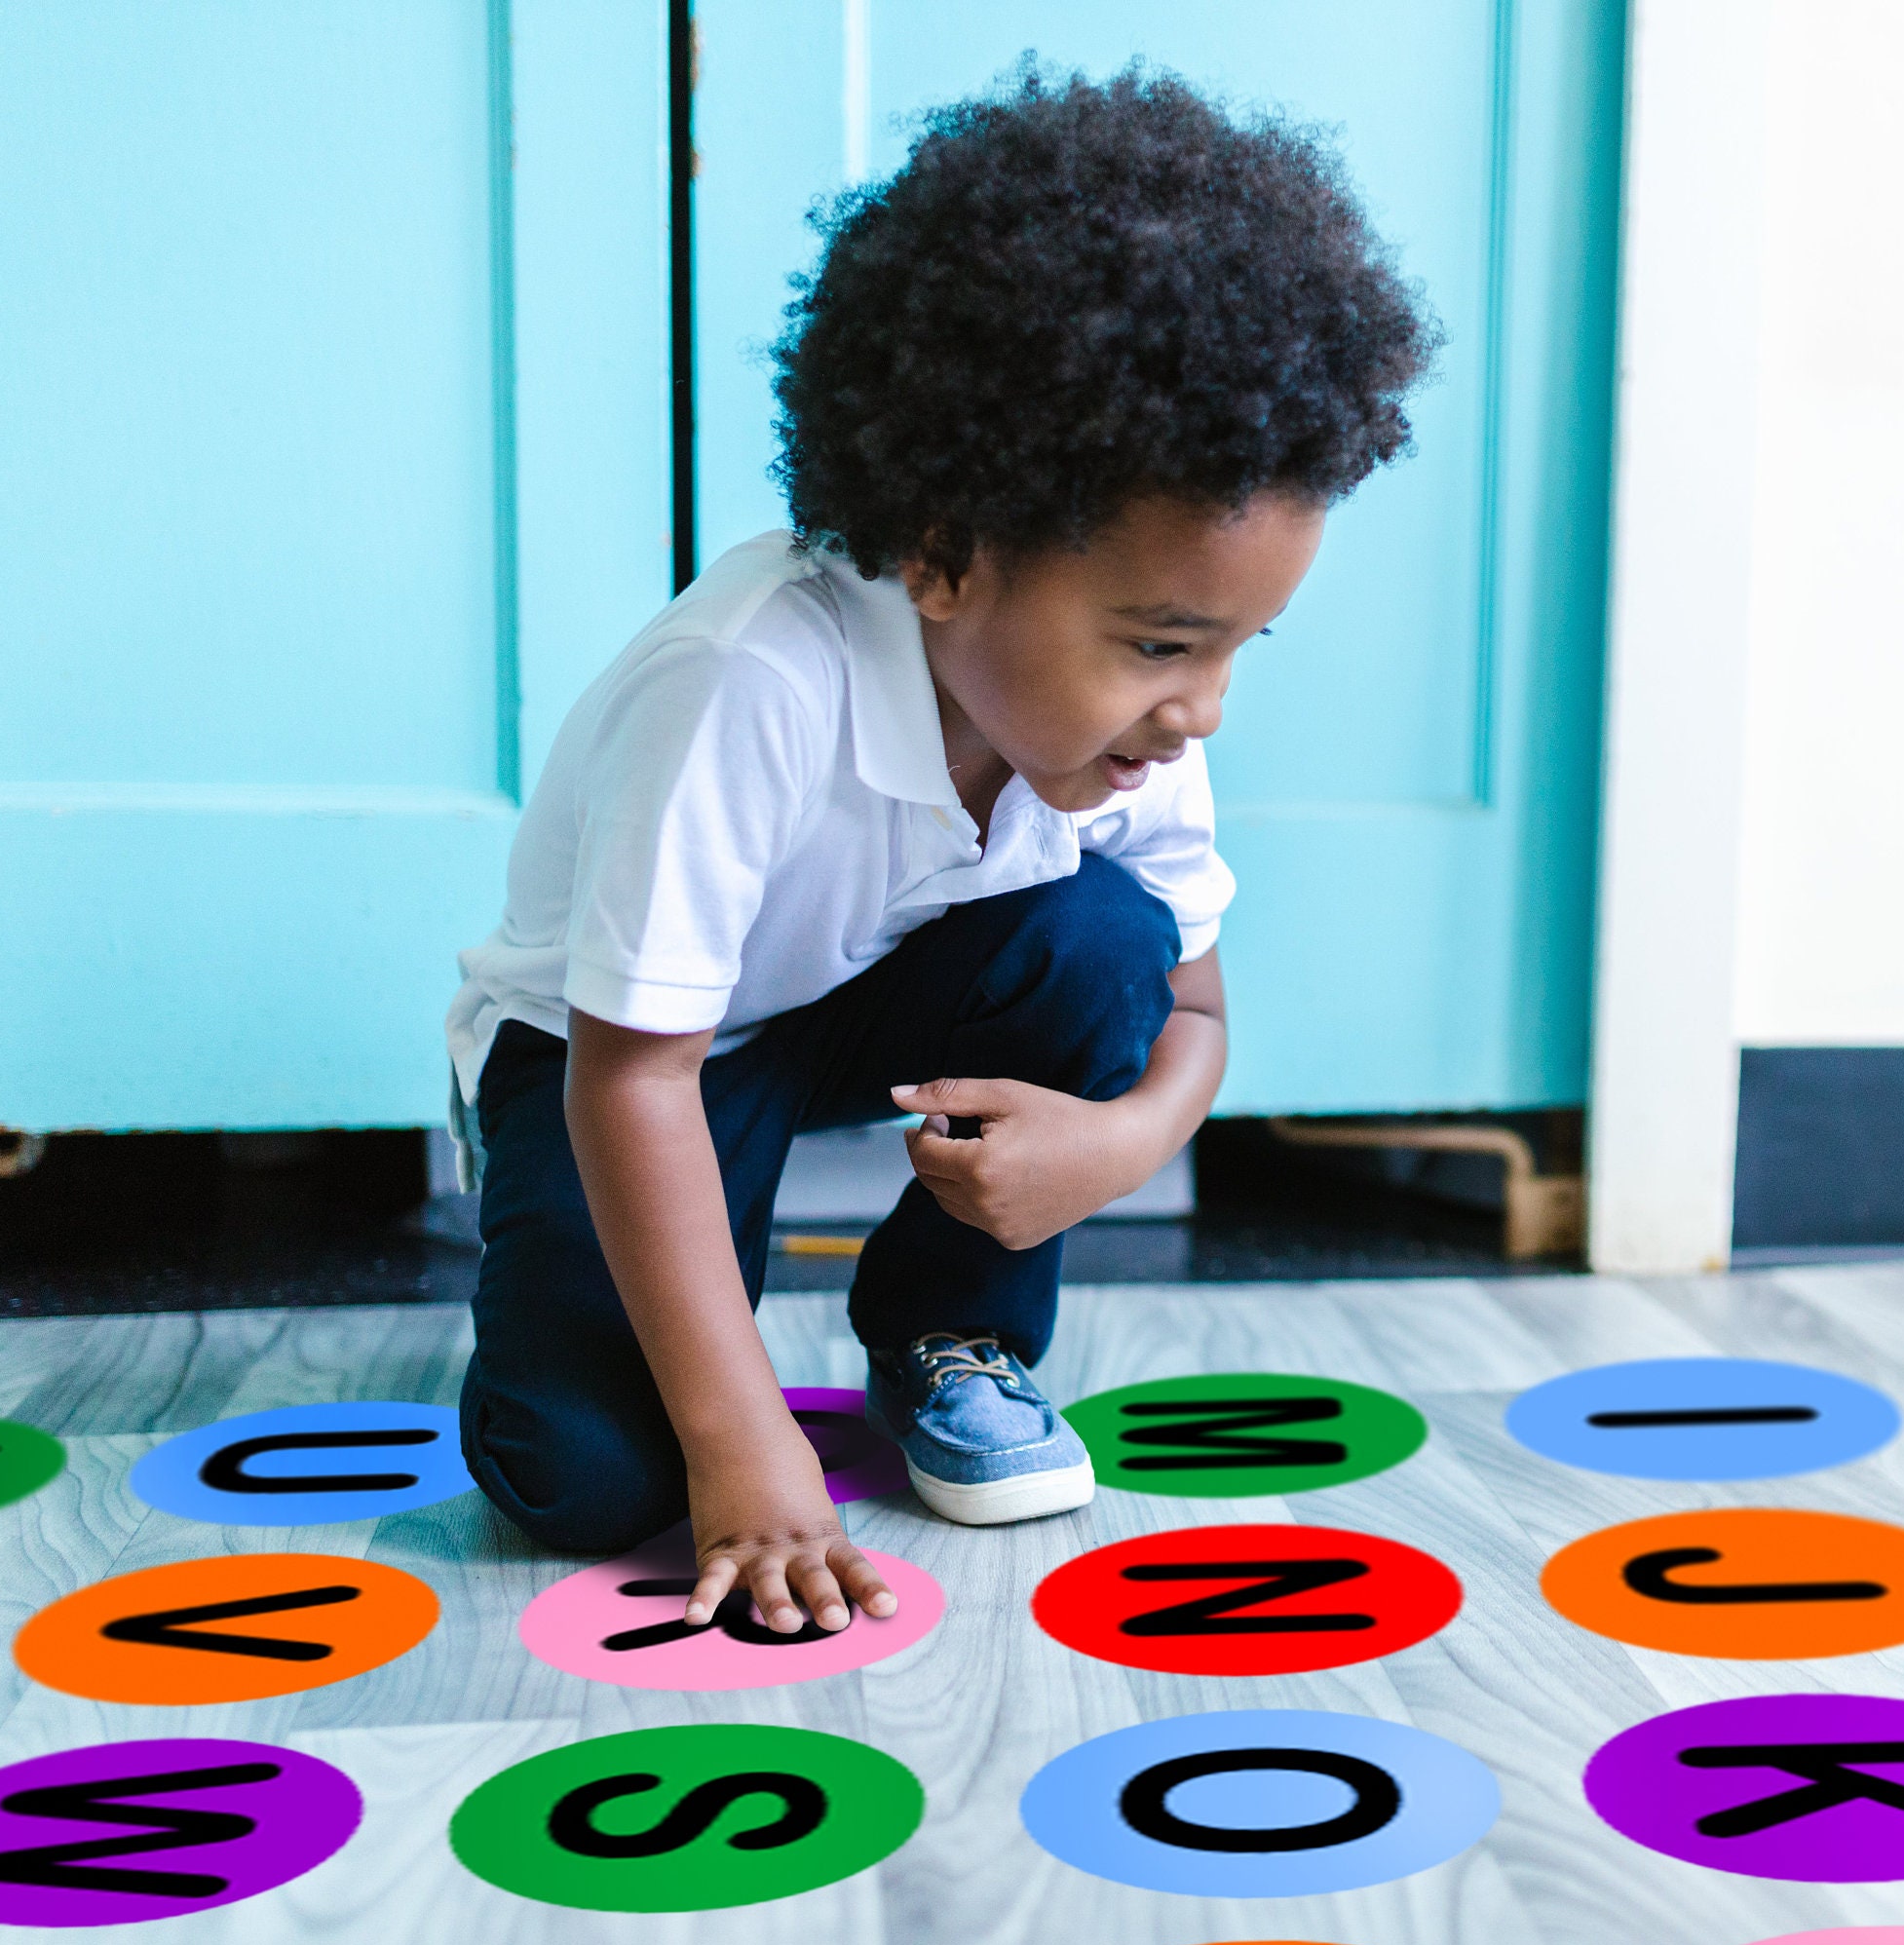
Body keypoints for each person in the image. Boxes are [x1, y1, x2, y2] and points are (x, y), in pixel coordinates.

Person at [440, 63, 1436, 1640]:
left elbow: (1191, 1010)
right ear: (944, 555)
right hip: (616, 1063)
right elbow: (634, 1078)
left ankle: (946, 1334)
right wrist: (741, 1436)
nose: (1206, 708)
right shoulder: (747, 685)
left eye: (1242, 646)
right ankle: (577, 1262)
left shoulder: (1129, 734)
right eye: (1167, 641)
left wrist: (1119, 1146)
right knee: (583, 1484)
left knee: (1101, 937)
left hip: (854, 1001)